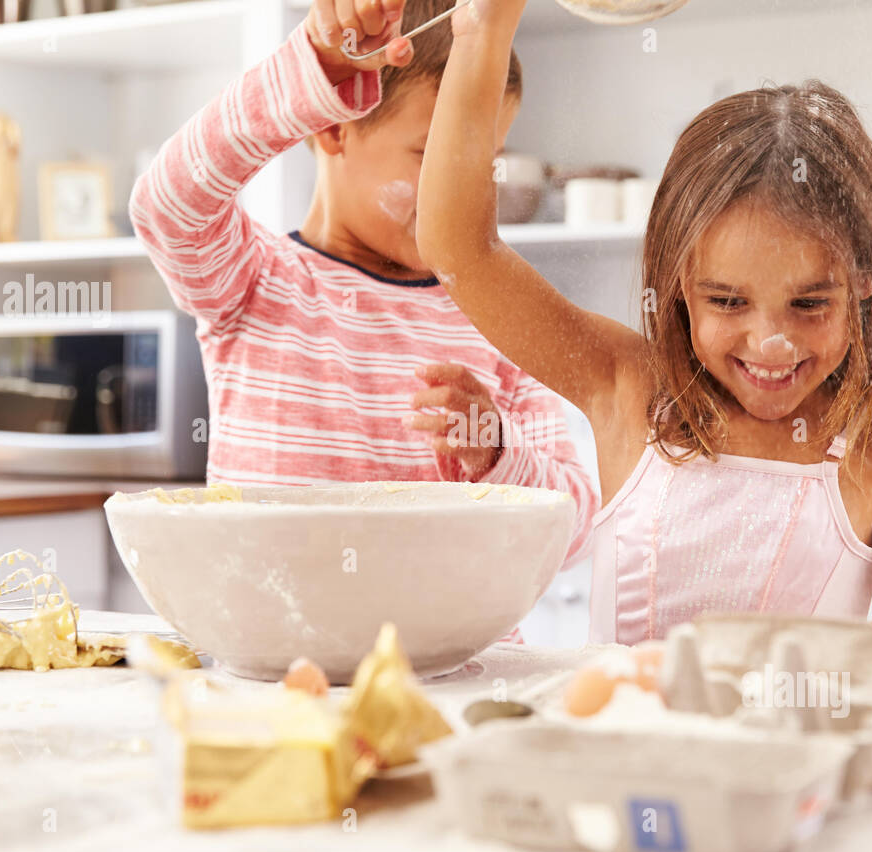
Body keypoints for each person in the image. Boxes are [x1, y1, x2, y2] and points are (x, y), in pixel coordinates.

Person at [414, 0, 872, 679]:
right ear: (677, 282)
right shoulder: (627, 387)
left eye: (811, 303)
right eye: (728, 301)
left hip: (796, 781)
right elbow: (457, 244)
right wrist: (484, 29)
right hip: (622, 774)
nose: (772, 343)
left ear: (867, 284)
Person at [129, 0, 597, 575]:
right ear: (333, 127)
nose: (463, 181)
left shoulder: (502, 313)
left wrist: (497, 454)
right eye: (431, 153)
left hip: (454, 663)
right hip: (276, 656)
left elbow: (576, 532)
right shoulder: (254, 280)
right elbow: (168, 203)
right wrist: (315, 70)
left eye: (486, 159)